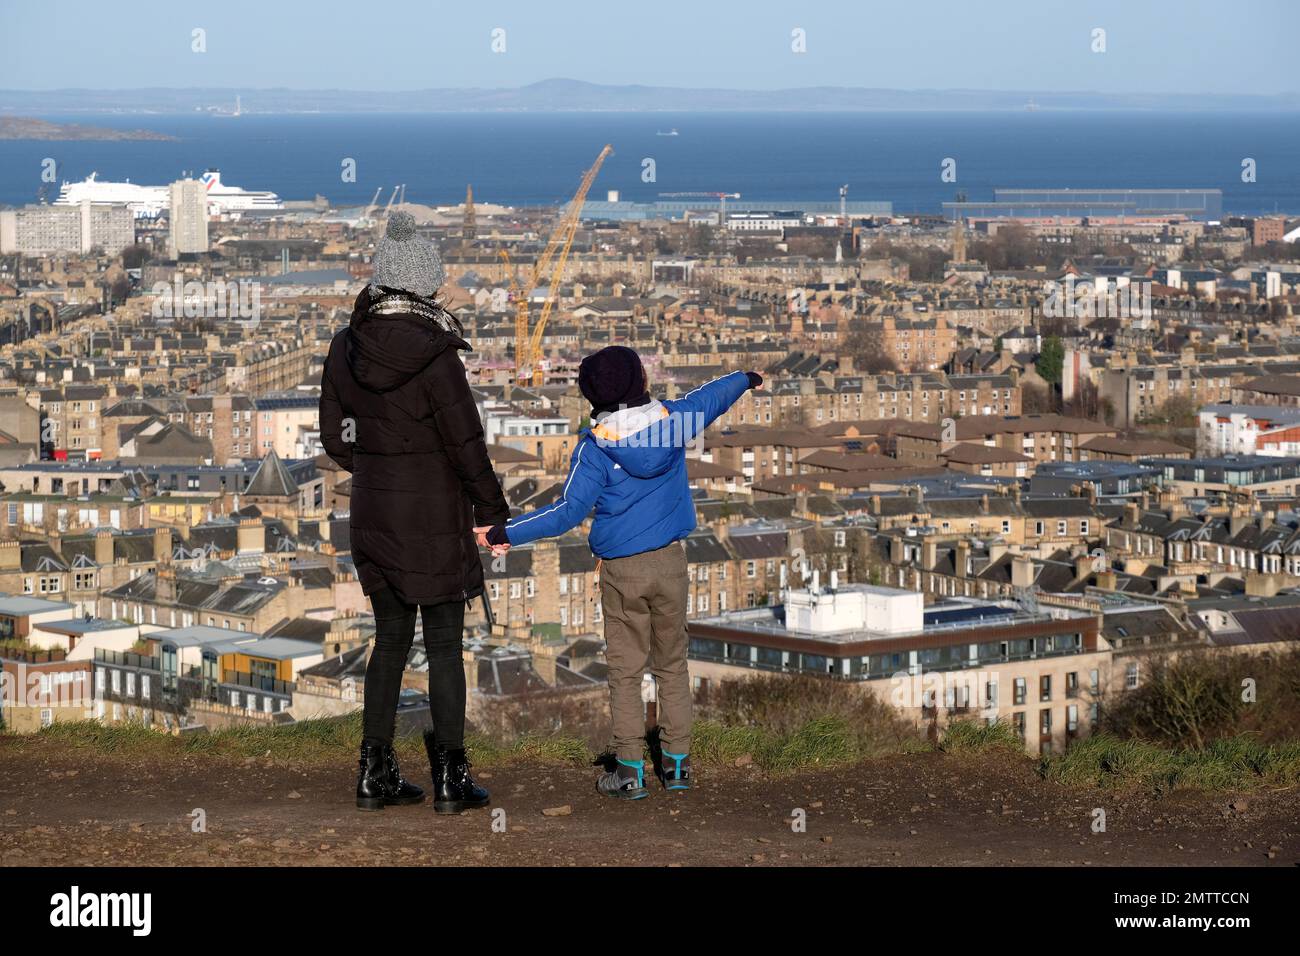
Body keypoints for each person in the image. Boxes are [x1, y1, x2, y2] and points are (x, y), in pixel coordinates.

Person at [481, 346, 761, 799]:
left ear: (591, 395)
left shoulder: (594, 448)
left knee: (626, 670)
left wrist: (504, 532)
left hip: (622, 570)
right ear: (642, 382)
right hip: (671, 562)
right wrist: (746, 378)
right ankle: (677, 766)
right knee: (672, 665)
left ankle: (630, 770)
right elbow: (711, 397)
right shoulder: (675, 422)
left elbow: (567, 512)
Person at [319, 212, 507, 813]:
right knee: (446, 645)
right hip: (434, 514)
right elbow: (465, 441)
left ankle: (374, 773)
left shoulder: (345, 347)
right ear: (422, 283)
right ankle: (451, 779)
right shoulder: (435, 354)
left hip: (374, 509)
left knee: (390, 640)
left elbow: (334, 438)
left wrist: (376, 467)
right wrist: (490, 505)